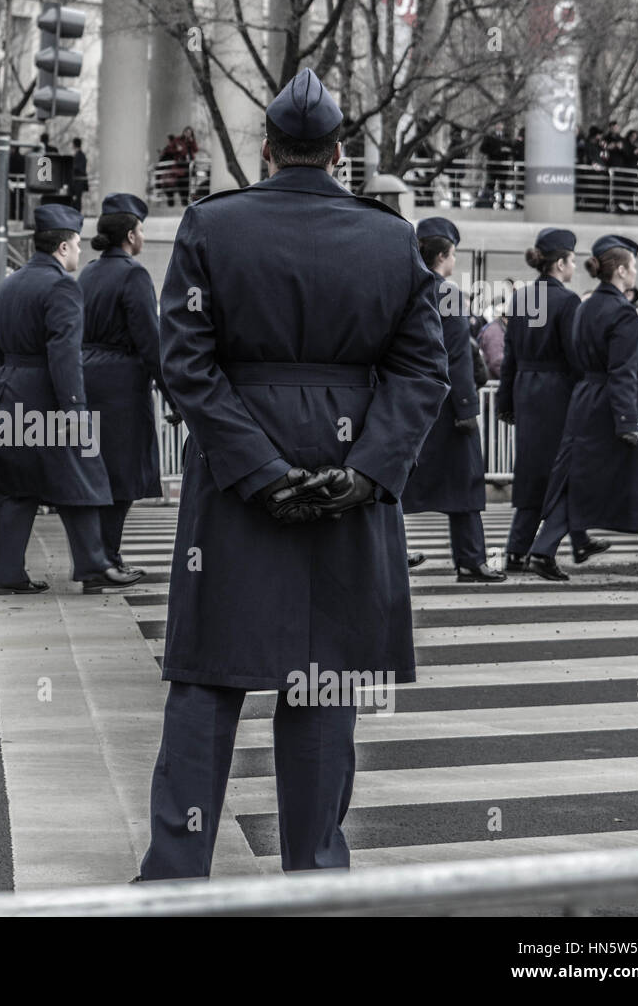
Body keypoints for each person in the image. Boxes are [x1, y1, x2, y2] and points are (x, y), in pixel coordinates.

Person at [136, 68, 448, 880]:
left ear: (266, 148)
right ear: (338, 153)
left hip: (236, 486)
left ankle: (176, 870)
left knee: (206, 679)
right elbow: (424, 374)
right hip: (348, 481)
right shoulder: (392, 240)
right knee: (324, 684)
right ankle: (314, 867)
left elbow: (186, 365)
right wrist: (369, 471)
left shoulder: (211, 226)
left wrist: (259, 468)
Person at [0, 202, 139, 595]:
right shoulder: (61, 286)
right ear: (65, 246)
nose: (79, 253)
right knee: (84, 478)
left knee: (15, 489)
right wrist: (74, 408)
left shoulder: (10, 284)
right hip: (49, 397)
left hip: (10, 390)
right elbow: (64, 354)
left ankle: (6, 574)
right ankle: (94, 564)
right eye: (77, 244)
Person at [528, 235, 638, 581]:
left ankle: (543, 548)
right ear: (619, 270)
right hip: (628, 404)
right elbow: (623, 371)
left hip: (587, 399)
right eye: (632, 267)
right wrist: (628, 422)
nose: (635, 273)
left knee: (577, 477)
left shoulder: (584, 306)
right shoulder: (624, 315)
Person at [496, 229, 609, 576]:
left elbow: (509, 355)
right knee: (564, 470)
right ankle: (546, 548)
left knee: (532, 471)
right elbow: (575, 355)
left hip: (525, 389)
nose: (574, 267)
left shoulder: (521, 298)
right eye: (572, 260)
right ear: (560, 263)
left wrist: (505, 400)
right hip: (558, 392)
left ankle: (518, 549)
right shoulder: (568, 301)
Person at [400, 217, 506, 581]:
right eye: (454, 254)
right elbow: (457, 356)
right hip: (446, 405)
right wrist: (466, 408)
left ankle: (390, 551)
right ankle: (470, 559)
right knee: (465, 483)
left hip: (405, 400)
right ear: (444, 255)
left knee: (392, 481)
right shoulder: (447, 294)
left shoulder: (403, 288)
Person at [77, 192, 178, 576]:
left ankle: (95, 558)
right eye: (141, 230)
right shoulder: (134, 274)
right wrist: (174, 398)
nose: (143, 237)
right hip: (121, 384)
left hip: (87, 378)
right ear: (131, 235)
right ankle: (107, 560)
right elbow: (150, 342)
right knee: (122, 475)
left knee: (95, 472)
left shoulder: (87, 272)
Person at [70, 138, 89, 211]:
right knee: (76, 200)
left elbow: (78, 168)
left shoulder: (80, 155)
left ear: (74, 145)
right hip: (77, 181)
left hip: (78, 181)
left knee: (77, 200)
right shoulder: (80, 155)